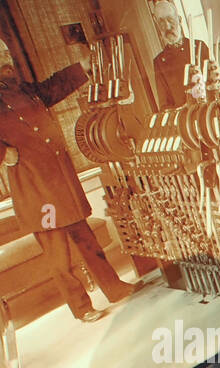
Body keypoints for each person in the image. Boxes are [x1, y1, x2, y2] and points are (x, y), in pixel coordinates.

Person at [0, 38, 136, 321]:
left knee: (87, 241)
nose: (5, 59)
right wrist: (3, 152)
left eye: (5, 52)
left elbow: (51, 87)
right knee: (58, 255)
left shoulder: (23, 88)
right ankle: (82, 308)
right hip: (37, 191)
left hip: (59, 183)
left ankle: (114, 288)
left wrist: (81, 69)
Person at [150, 0, 213, 108]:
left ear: (179, 19)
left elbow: (215, 84)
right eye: (161, 22)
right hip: (185, 120)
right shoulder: (159, 62)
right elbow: (165, 105)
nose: (167, 27)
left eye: (170, 19)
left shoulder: (199, 47)